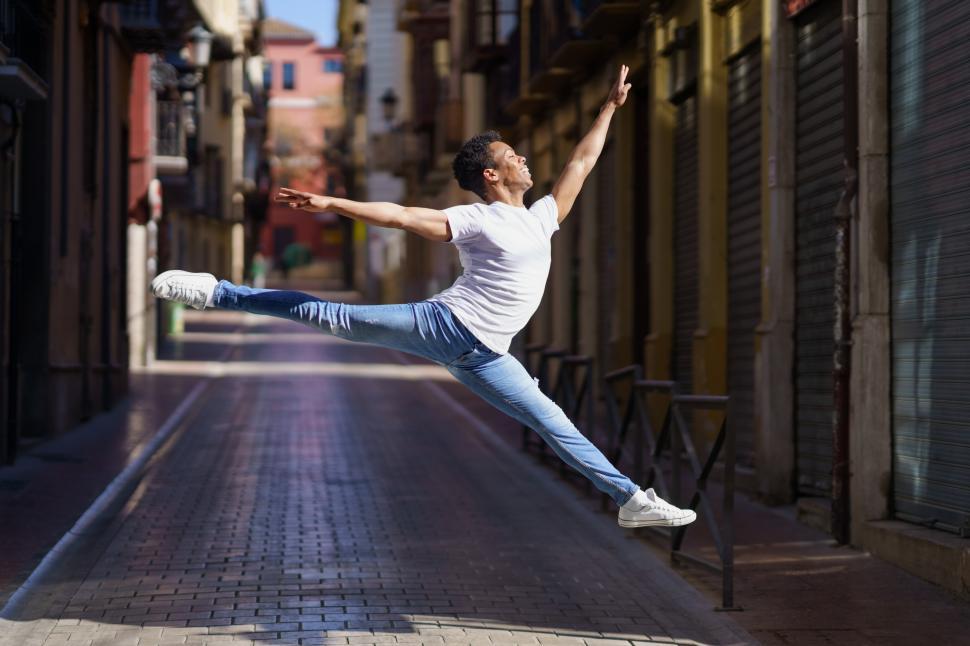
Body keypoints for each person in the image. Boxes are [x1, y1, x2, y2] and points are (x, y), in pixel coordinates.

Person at [151, 65, 695, 529]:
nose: (525, 160)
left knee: (555, 424)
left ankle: (631, 502)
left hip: (489, 356)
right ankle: (215, 291)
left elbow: (581, 163)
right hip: (446, 326)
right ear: (492, 174)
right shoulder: (476, 219)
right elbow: (403, 215)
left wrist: (610, 107)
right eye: (514, 156)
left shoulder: (541, 218)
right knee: (329, 316)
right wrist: (331, 202)